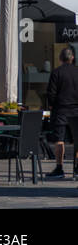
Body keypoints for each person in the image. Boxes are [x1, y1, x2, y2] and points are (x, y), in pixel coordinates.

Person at [46, 45, 78, 178]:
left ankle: (59, 168)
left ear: (60, 59)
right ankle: (77, 168)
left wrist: (52, 106)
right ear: (73, 58)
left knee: (59, 140)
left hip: (61, 111)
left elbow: (51, 94)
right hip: (76, 110)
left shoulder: (56, 72)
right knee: (77, 140)